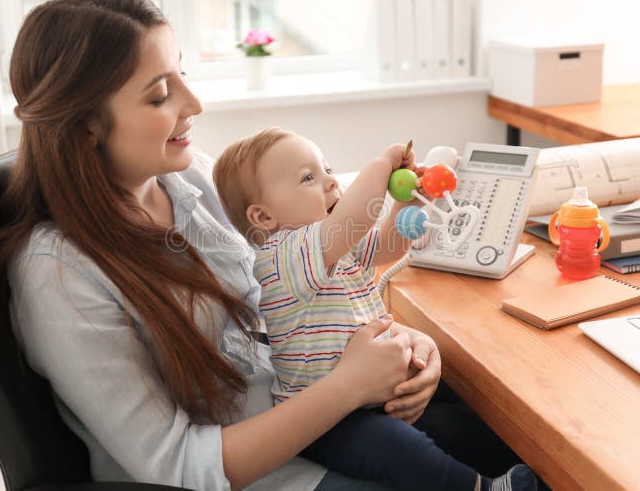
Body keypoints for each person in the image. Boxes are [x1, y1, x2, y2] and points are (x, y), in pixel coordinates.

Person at [0, 0, 533, 491]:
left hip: (319, 411)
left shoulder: (194, 180)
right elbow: (179, 464)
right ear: (86, 125)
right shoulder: (58, 276)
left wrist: (408, 348)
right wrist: (347, 386)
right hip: (268, 471)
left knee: (525, 442)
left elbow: (289, 304)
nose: (194, 104)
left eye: (182, 75)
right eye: (159, 95)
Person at [212, 128, 537, 491]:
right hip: (328, 420)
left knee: (461, 413)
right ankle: (478, 488)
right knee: (400, 450)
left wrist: (412, 199)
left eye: (328, 169)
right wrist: (382, 166)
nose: (332, 182)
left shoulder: (333, 246)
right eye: (308, 178)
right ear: (263, 217)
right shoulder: (281, 256)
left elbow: (388, 244)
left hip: (371, 392)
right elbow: (357, 220)